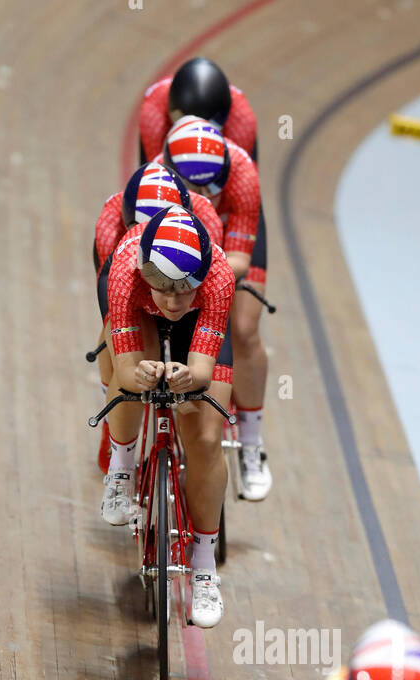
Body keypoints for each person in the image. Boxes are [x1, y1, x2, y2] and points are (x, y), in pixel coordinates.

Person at [101, 204, 235, 627]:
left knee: (207, 439)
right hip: (138, 314)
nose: (175, 300)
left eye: (184, 289)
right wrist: (141, 371)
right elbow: (123, 370)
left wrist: (185, 377)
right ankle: (120, 471)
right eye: (165, 288)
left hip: (197, 332)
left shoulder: (219, 276)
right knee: (128, 386)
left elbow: (201, 371)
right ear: (145, 270)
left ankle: (203, 565)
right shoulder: (125, 267)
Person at [162, 118, 270, 501]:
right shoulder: (157, 180)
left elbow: (237, 259)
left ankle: (252, 442)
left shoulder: (242, 174)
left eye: (210, 186)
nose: (201, 194)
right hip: (176, 248)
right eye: (193, 187)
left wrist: (208, 276)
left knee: (241, 328)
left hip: (227, 250)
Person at [92, 163, 224, 474]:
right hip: (137, 291)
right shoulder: (116, 237)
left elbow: (212, 296)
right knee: (116, 340)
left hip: (188, 299)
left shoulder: (208, 229)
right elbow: (119, 315)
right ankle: (112, 427)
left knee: (195, 401)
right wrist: (130, 370)